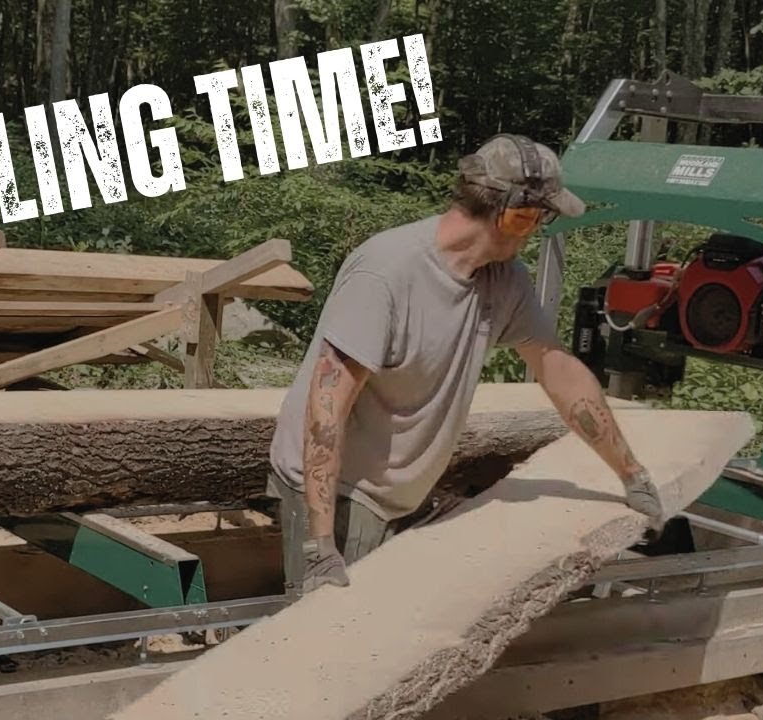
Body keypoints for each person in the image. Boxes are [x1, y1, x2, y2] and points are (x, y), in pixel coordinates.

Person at [266, 133, 665, 596]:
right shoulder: (386, 274)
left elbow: (557, 369)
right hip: (339, 494)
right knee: (333, 642)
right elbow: (326, 410)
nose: (539, 226)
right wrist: (320, 542)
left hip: (401, 488)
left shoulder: (504, 278)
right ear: (514, 213)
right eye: (540, 215)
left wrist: (631, 474)